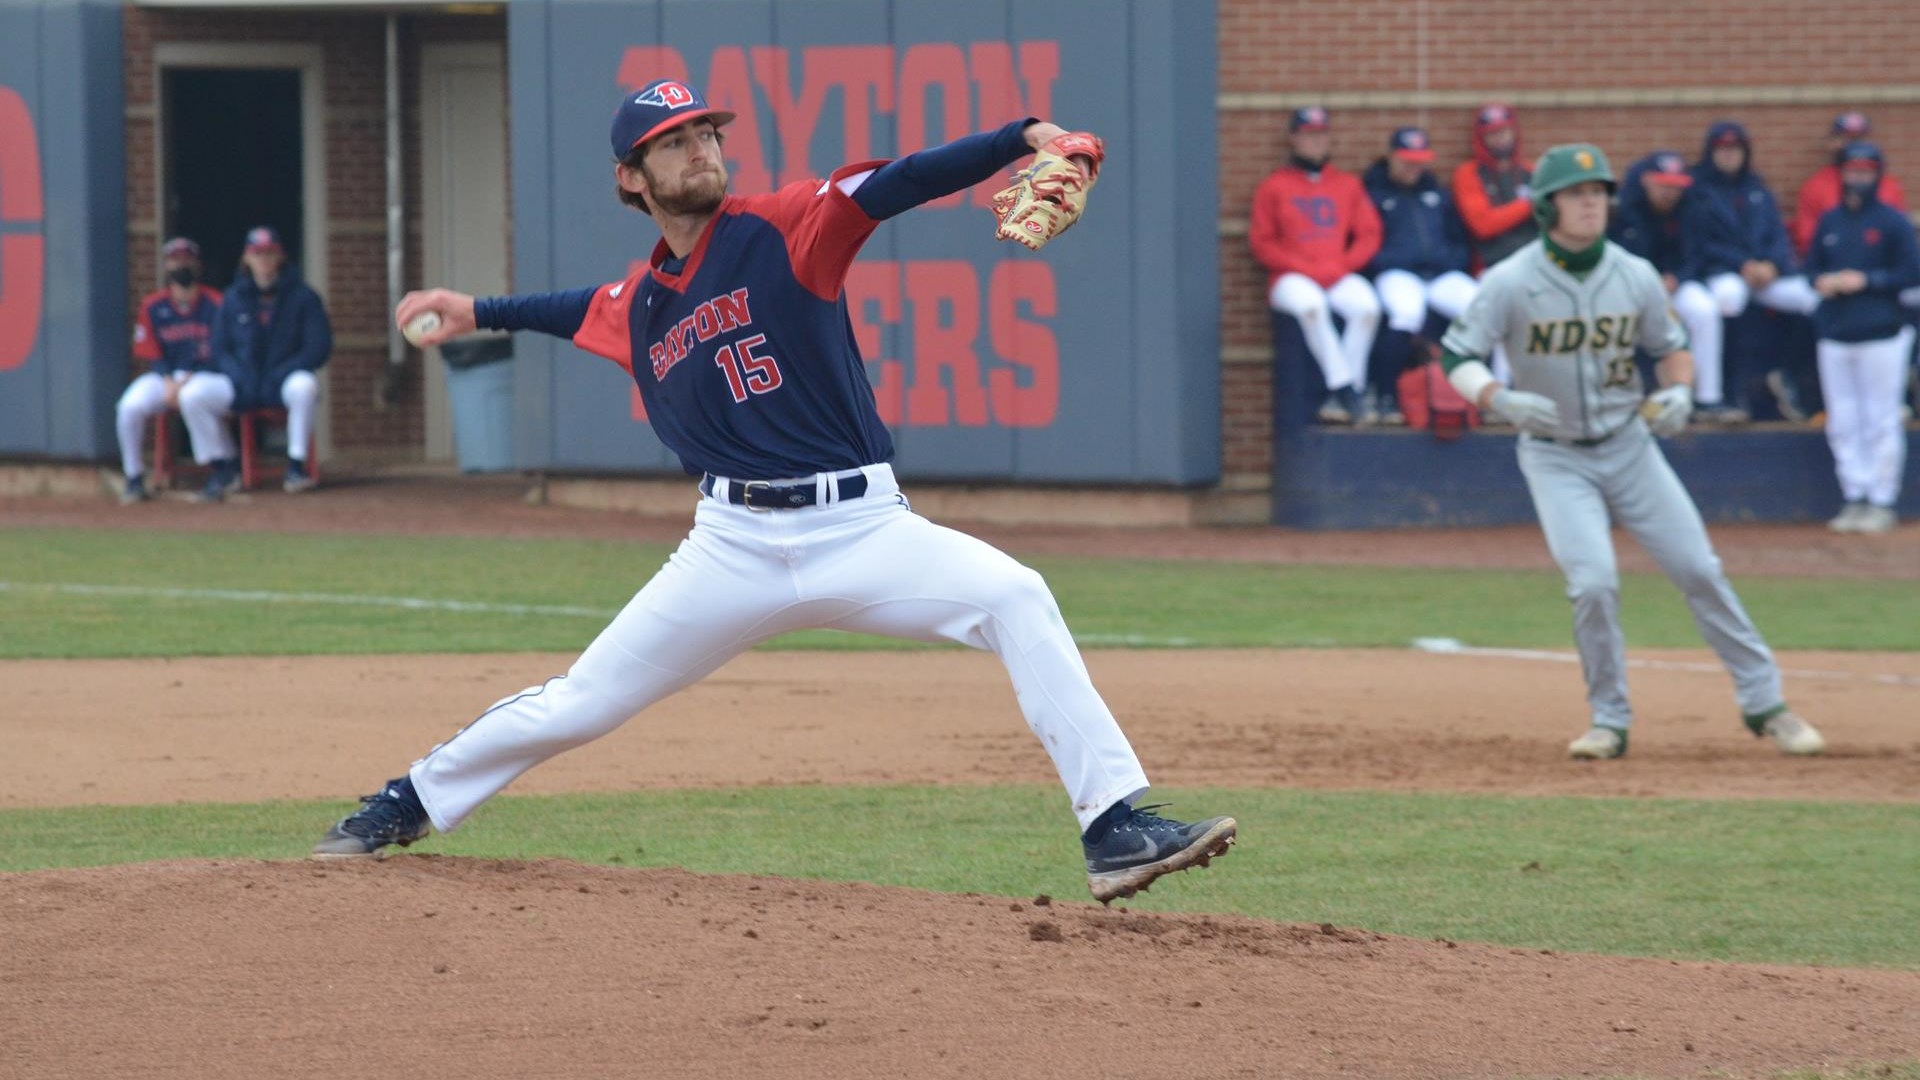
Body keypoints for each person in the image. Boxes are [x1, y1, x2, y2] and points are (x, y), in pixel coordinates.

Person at [310, 79, 1237, 904]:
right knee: (582, 700)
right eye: (673, 142)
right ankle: (405, 802)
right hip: (730, 546)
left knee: (1014, 595)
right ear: (632, 178)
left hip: (864, 528)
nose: (699, 149)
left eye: (707, 133)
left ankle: (1115, 827)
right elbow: (572, 308)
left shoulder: (786, 223)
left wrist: (1025, 136)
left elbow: (899, 180)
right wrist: (476, 312)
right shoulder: (643, 305)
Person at [1437, 143, 1825, 760]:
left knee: (1699, 569)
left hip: (1629, 445)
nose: (1592, 203)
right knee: (1593, 583)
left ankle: (1765, 704)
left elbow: (1671, 345)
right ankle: (1609, 719)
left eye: (1598, 193)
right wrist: (1494, 396)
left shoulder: (1633, 272)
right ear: (1546, 207)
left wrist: (1678, 389)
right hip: (1553, 453)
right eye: (1576, 193)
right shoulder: (1511, 280)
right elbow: (1457, 352)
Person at [1806, 142, 1920, 534]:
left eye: (1866, 171)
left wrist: (1867, 280)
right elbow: (1810, 268)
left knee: (1881, 418)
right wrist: (1822, 282)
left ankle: (1881, 499)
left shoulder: (1892, 221)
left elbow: (1911, 272)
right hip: (1835, 333)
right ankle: (1854, 494)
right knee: (1843, 420)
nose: (1858, 178)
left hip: (1881, 334)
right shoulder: (1830, 220)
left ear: (1877, 175)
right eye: (1852, 171)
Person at [1250, 105, 1383, 423]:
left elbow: (1369, 234)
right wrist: (1303, 267)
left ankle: (1343, 395)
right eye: (1309, 136)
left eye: (1321, 135)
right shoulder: (1274, 185)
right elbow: (1261, 242)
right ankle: (1346, 388)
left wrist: (1343, 265)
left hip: (1335, 271)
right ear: (1294, 139)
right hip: (1289, 277)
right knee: (1312, 306)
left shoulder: (1347, 184)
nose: (1316, 142)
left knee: (1367, 307)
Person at [181, 226, 332, 499]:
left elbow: (318, 348)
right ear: (246, 259)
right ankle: (224, 466)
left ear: (280, 257)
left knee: (305, 386)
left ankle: (297, 465)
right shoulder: (233, 297)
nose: (264, 260)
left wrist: (281, 372)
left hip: (283, 379)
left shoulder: (303, 297)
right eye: (257, 254)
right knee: (192, 394)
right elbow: (218, 349)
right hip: (243, 381)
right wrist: (238, 374)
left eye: (269, 253)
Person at [1690, 121, 1821, 419]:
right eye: (1722, 150)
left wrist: (1773, 265)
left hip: (1766, 273)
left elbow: (1777, 234)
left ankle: (1788, 373)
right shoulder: (1699, 190)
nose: (1728, 156)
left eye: (1734, 149)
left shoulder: (1757, 187)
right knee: (1729, 297)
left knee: (1810, 297)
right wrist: (1742, 264)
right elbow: (1701, 242)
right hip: (1724, 272)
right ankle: (1727, 388)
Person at [1608, 150, 1746, 420]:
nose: (1668, 192)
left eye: (1674, 186)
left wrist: (1678, 278)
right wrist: (1648, 282)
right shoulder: (1626, 208)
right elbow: (1617, 256)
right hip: (1632, 287)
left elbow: (1697, 255)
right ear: (1647, 180)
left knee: (1704, 310)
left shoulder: (1691, 208)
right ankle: (1617, 399)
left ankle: (1708, 399)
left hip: (1676, 284)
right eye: (1662, 184)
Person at [1363, 126, 1475, 421]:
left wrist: (1450, 260)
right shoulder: (1373, 192)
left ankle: (1482, 394)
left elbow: (1459, 239)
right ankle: (1384, 394)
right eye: (1406, 160)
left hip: (1439, 274)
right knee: (1406, 312)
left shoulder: (1437, 193)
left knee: (1479, 306)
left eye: (1419, 160)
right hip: (1396, 272)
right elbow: (1365, 241)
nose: (1414, 167)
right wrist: (1390, 261)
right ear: (1391, 157)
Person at [114, 237, 222, 503]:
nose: (181, 264)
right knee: (128, 406)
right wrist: (167, 380)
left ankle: (218, 472)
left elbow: (222, 350)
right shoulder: (153, 305)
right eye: (175, 260)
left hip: (204, 375)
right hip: (165, 376)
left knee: (192, 395)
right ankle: (134, 477)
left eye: (186, 259)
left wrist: (187, 379)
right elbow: (150, 351)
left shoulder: (217, 302)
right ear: (166, 266)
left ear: (197, 264)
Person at [1450, 103, 1536, 383]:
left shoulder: (1531, 173)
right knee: (1506, 306)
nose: (1500, 139)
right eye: (1492, 134)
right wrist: (1528, 205)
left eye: (1505, 132)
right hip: (1490, 265)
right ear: (1481, 138)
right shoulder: (1468, 174)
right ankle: (1503, 387)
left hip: (1533, 264)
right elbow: (1482, 224)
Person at [1792, 111, 1908, 262]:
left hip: (1882, 268)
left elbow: (1901, 238)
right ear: (1831, 143)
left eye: (1858, 138)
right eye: (1845, 137)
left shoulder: (1889, 185)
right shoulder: (1814, 187)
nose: (1852, 143)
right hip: (1832, 269)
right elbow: (1807, 240)